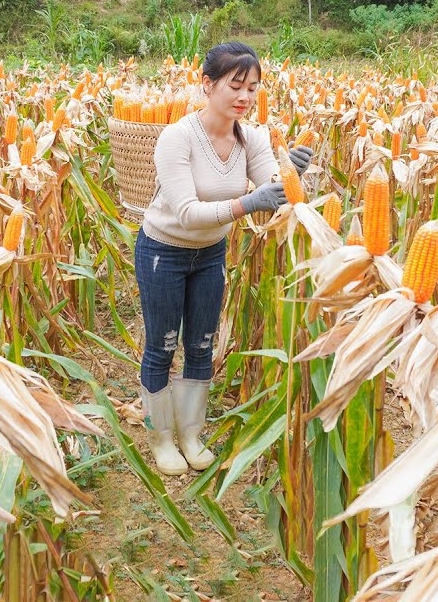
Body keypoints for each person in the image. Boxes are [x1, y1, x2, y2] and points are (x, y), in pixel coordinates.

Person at [134, 42, 313, 475]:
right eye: (236, 86)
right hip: (163, 251)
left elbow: (271, 184)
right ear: (207, 84)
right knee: (162, 345)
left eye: (252, 89)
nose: (245, 98)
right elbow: (186, 213)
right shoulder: (177, 137)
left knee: (201, 344)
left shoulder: (250, 137)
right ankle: (162, 439)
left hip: (210, 253)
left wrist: (292, 172)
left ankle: (191, 435)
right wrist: (247, 204)